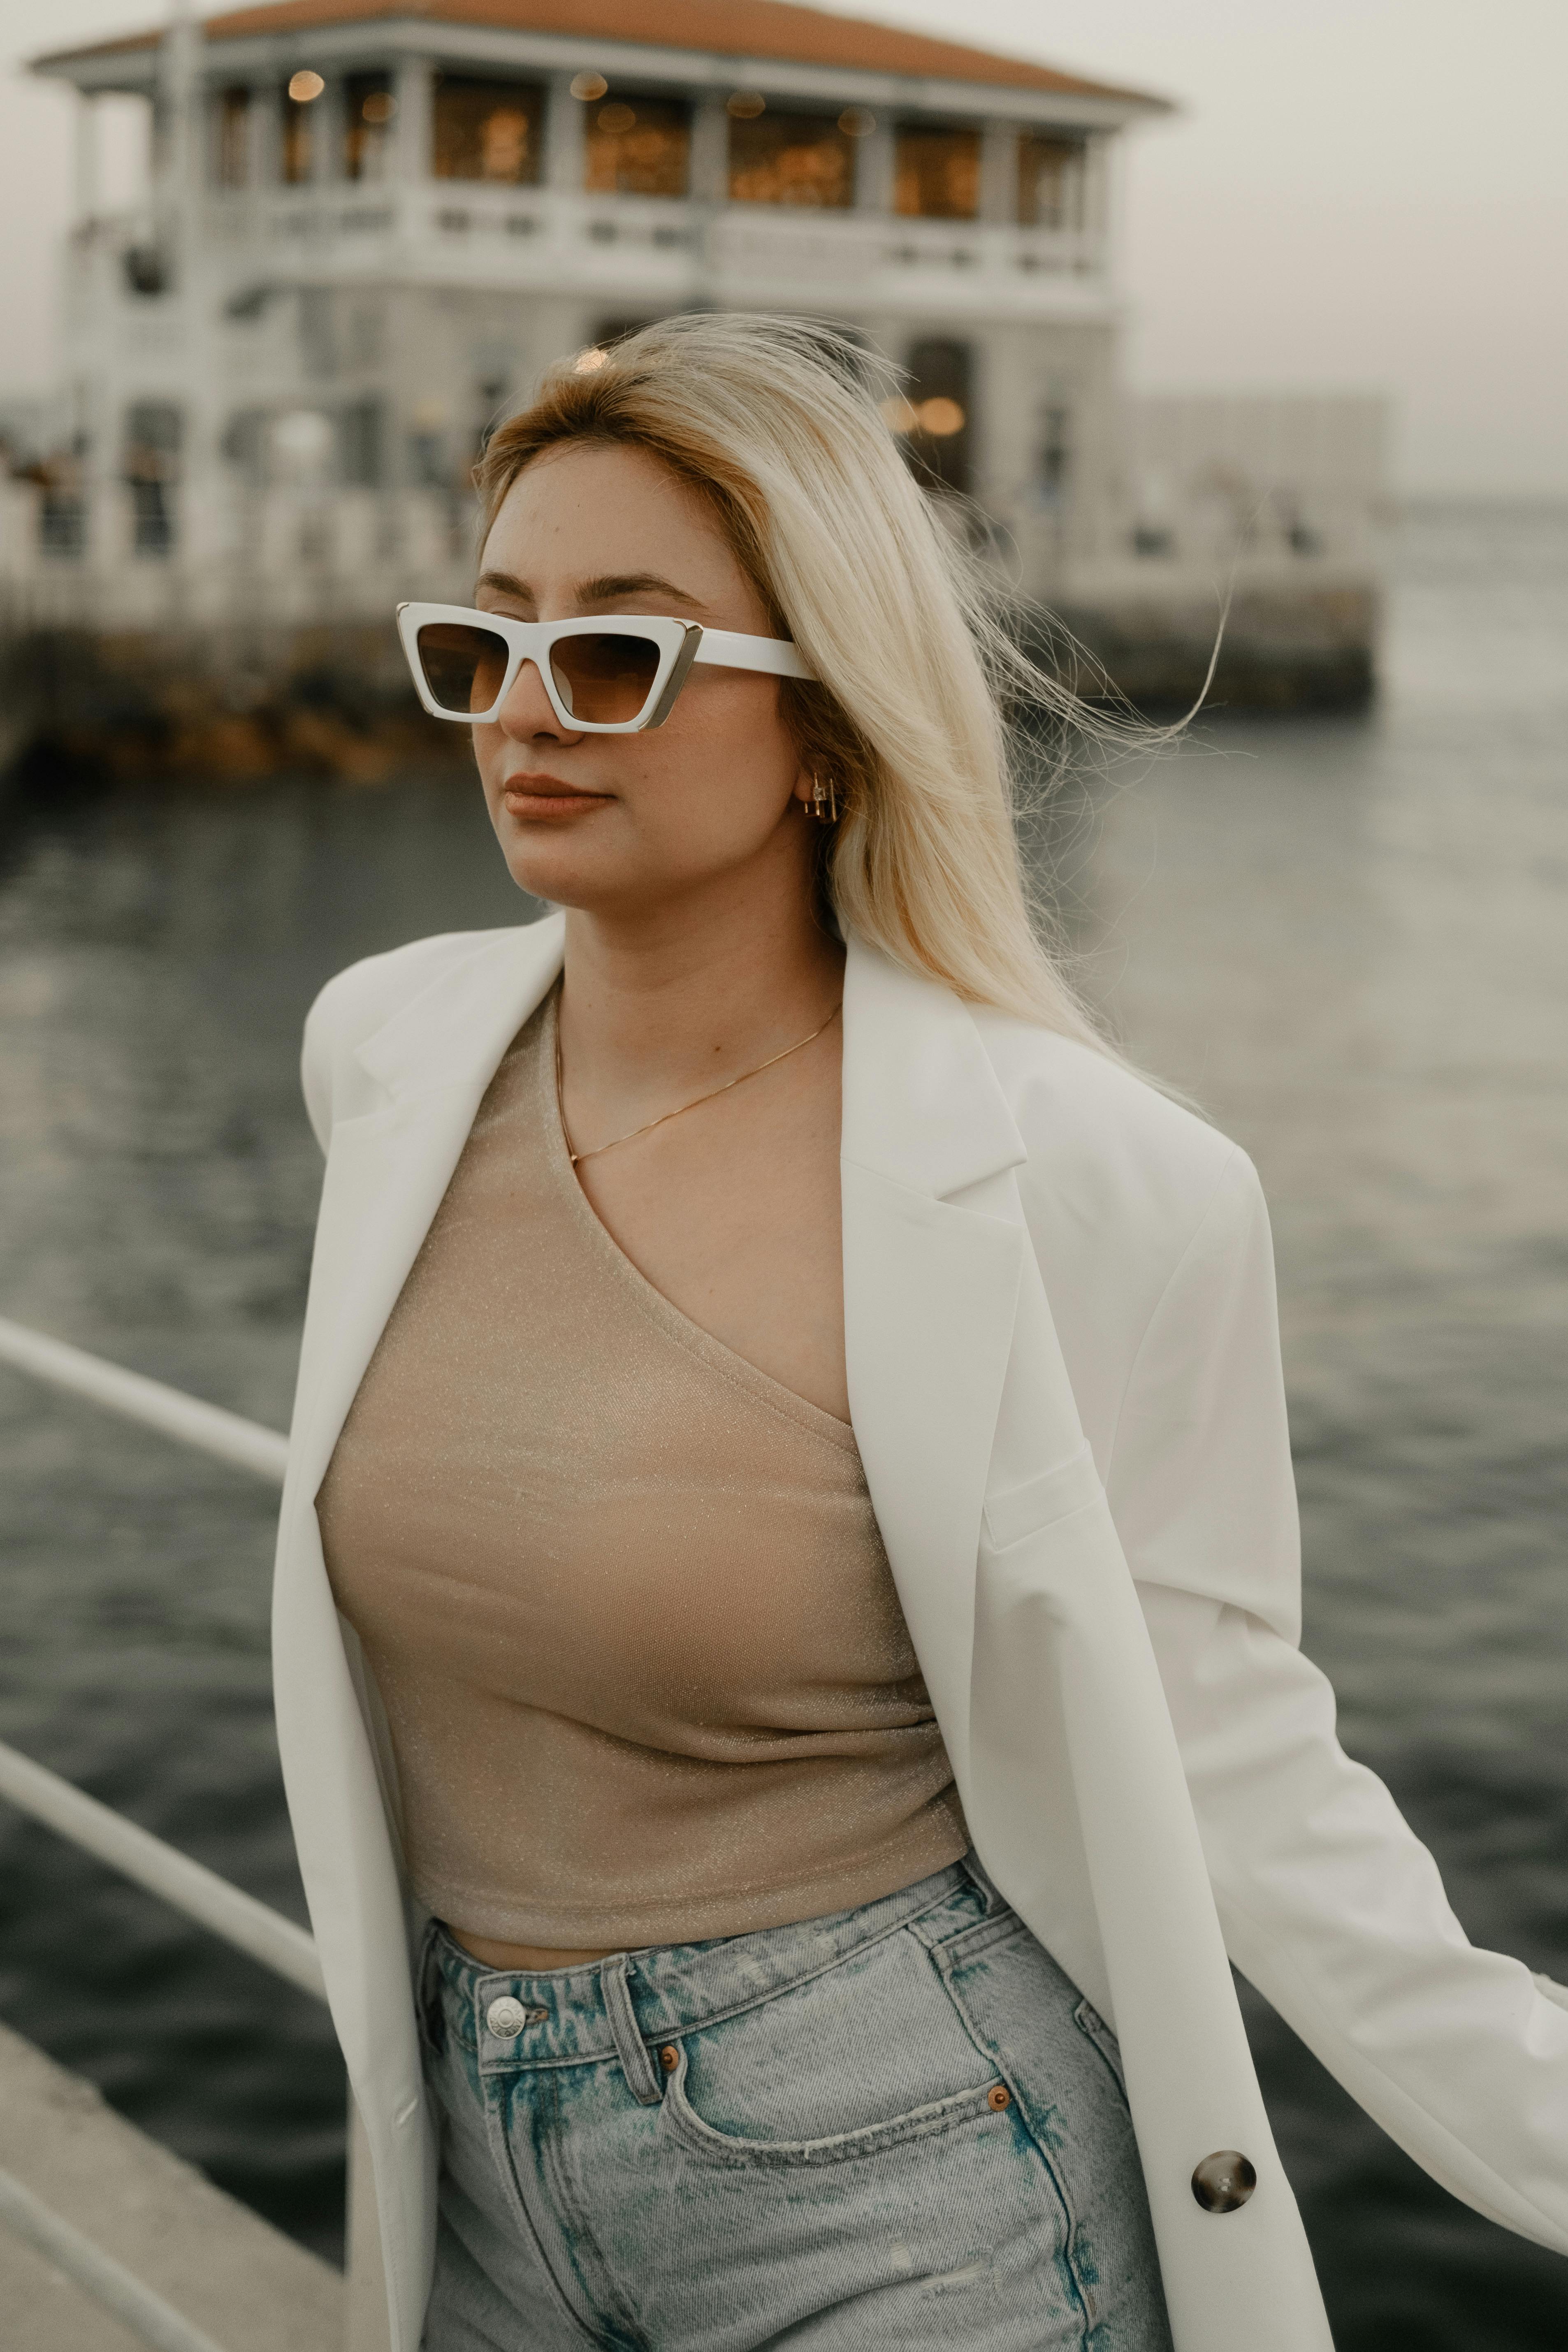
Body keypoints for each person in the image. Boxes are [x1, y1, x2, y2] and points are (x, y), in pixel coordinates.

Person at [274, 315, 1568, 2352]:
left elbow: (1225, 1742)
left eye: (617, 651)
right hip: (469, 2164)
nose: (524, 711)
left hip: (903, 2172)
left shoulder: (1098, 1179)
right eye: (483, 641)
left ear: (823, 719)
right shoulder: (387, 1049)